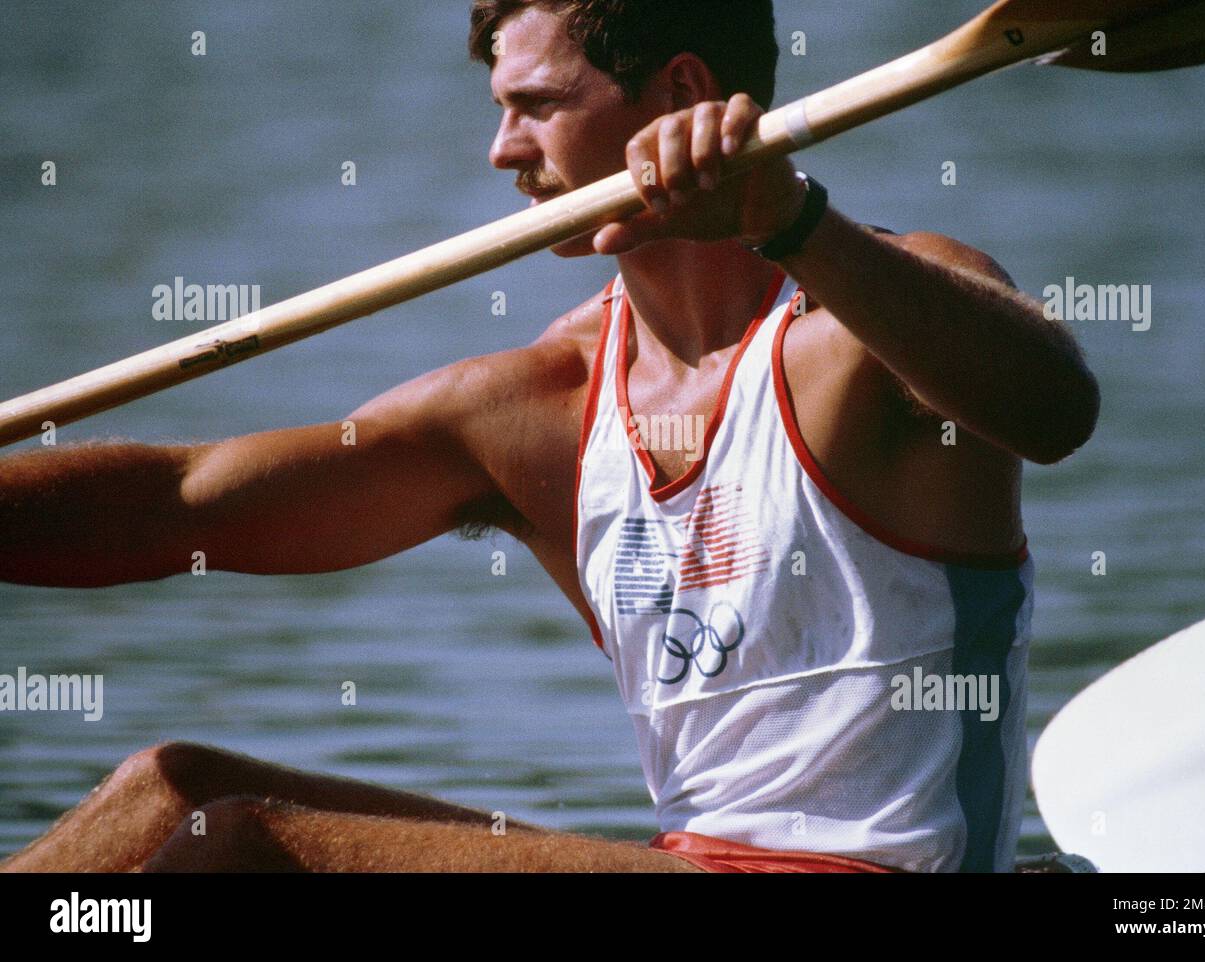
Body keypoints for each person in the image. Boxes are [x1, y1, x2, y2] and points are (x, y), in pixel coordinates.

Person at [0, 0, 1098, 873]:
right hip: (680, 863)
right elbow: (182, 503)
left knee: (238, 847)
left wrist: (792, 222)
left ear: (679, 94)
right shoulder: (541, 405)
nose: (497, 150)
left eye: (534, 104)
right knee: (168, 793)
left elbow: (1053, 409)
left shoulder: (873, 326)